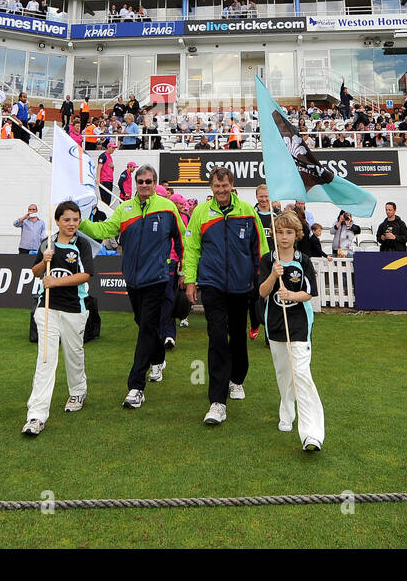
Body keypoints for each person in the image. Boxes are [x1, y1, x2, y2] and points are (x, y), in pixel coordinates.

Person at [80, 164, 185, 410]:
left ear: (155, 183)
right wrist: (80, 223)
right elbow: (104, 229)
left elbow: (181, 241)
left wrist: (183, 272)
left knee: (146, 327)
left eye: (149, 181)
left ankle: (136, 386)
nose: (145, 185)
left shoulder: (168, 208)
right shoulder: (124, 209)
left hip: (158, 279)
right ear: (135, 184)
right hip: (133, 280)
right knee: (144, 324)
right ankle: (158, 358)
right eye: (141, 182)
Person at [183, 166, 270, 426]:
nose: (221, 191)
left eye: (225, 186)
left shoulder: (247, 211)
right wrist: (190, 280)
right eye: (216, 186)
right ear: (211, 187)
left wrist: (261, 277)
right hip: (212, 285)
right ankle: (217, 401)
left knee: (238, 337)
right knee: (217, 338)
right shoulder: (199, 213)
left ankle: (237, 379)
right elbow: (191, 250)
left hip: (242, 286)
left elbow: (260, 248)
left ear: (232, 184)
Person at [22, 200, 96, 437]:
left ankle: (78, 391)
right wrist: (44, 261)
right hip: (47, 308)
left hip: (75, 308)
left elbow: (86, 275)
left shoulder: (82, 245)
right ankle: (36, 415)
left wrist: (56, 281)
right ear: (57, 221)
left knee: (74, 355)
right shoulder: (47, 243)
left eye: (75, 219)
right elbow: (34, 272)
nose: (72, 224)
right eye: (67, 220)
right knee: (45, 359)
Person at [258, 212, 324, 452]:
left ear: (296, 235)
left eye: (288, 232)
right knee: (284, 375)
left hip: (299, 325)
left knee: (302, 376)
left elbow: (310, 293)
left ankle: (311, 434)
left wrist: (292, 295)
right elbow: (263, 292)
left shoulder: (303, 260)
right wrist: (273, 276)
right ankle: (286, 412)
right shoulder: (268, 260)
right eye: (279, 232)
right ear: (274, 235)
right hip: (275, 324)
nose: (284, 237)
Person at [96, 140, 118, 206]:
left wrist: (113, 166)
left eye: (114, 148)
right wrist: (98, 178)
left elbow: (111, 169)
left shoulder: (110, 157)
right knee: (105, 199)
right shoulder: (103, 156)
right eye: (112, 148)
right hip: (104, 180)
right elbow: (99, 167)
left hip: (109, 179)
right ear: (108, 147)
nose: (113, 150)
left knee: (108, 199)